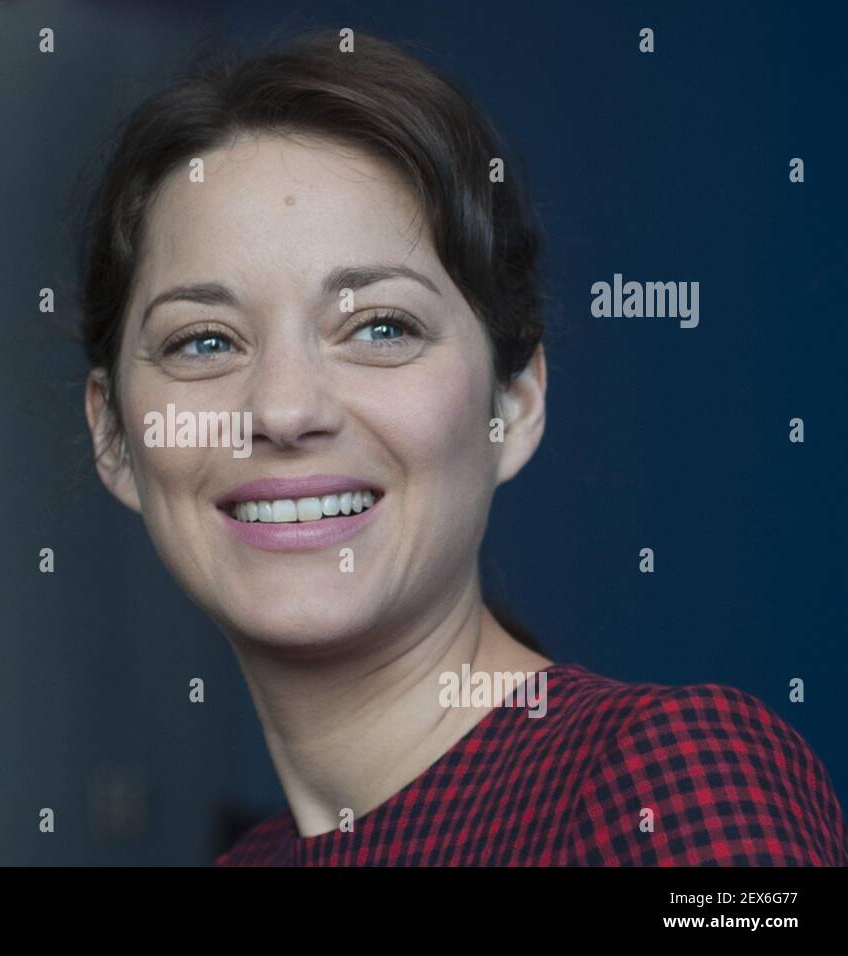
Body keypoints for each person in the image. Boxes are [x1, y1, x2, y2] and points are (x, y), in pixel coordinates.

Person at [75, 29, 846, 865]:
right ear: (115, 436)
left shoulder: (670, 777)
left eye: (380, 326)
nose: (285, 409)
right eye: (205, 341)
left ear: (513, 406)